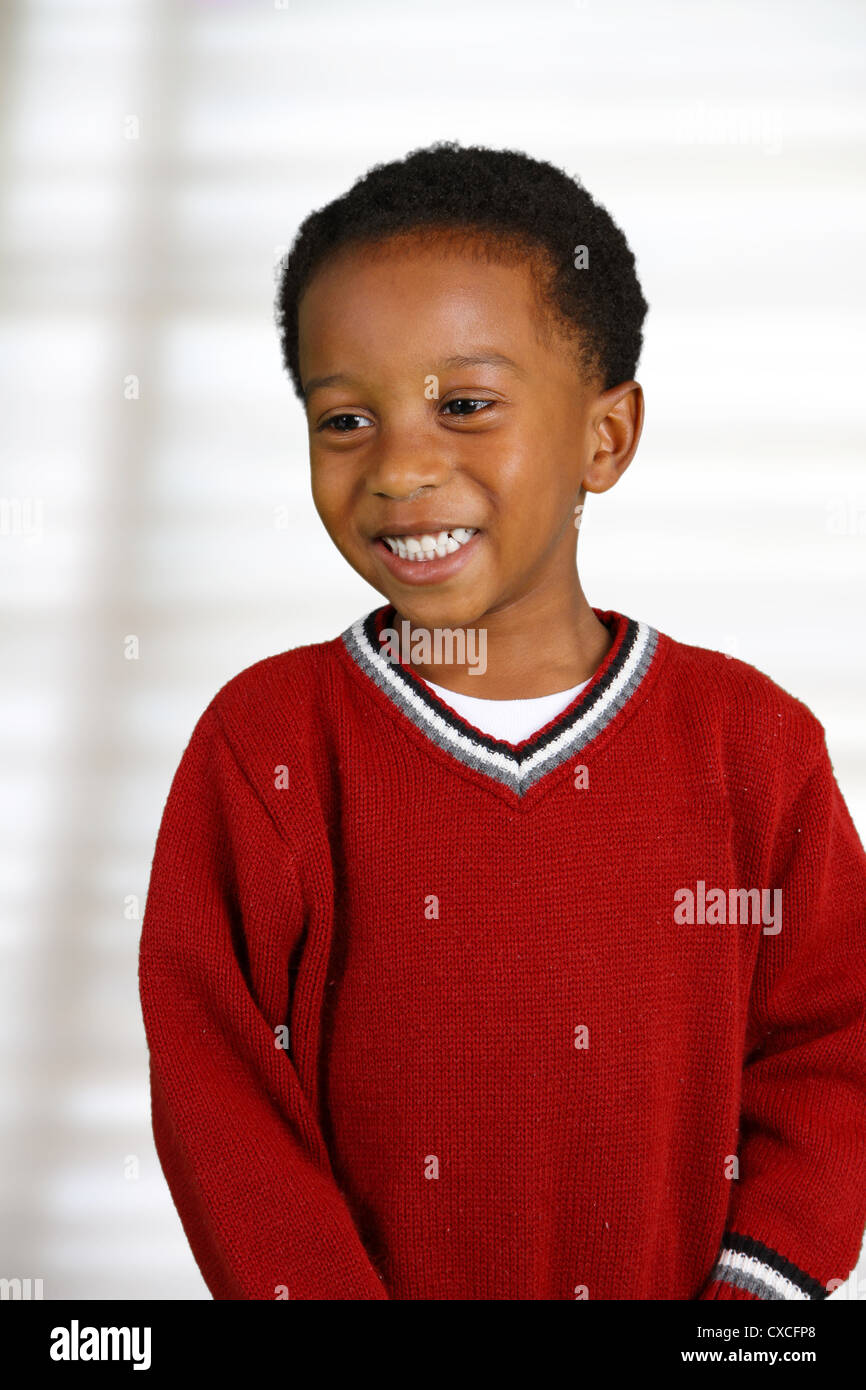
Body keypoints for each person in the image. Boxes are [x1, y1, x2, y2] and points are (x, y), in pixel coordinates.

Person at [138, 141, 866, 1300]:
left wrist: (749, 1313)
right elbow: (215, 1081)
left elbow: (836, 1049)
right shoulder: (266, 746)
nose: (398, 468)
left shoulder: (752, 747)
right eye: (343, 420)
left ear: (603, 437)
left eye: (465, 404)